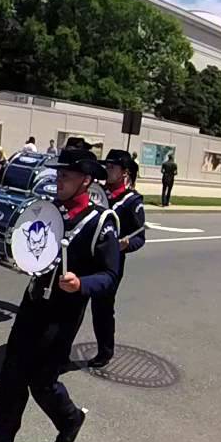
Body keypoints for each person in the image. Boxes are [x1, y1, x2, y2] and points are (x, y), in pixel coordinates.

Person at [0, 148, 119, 442]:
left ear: (85, 180)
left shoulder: (100, 222)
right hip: (34, 301)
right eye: (58, 174)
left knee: (42, 380)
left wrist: (81, 284)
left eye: (66, 176)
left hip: (64, 312)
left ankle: (69, 418)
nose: (59, 180)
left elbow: (109, 275)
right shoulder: (47, 210)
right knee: (12, 373)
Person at [87, 150, 145, 369]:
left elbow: (139, 237)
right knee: (74, 305)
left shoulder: (132, 201)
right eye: (107, 166)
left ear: (124, 172)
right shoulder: (96, 191)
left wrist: (126, 244)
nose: (107, 170)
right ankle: (60, 350)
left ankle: (105, 351)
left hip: (110, 262)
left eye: (112, 167)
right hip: (87, 256)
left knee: (102, 308)